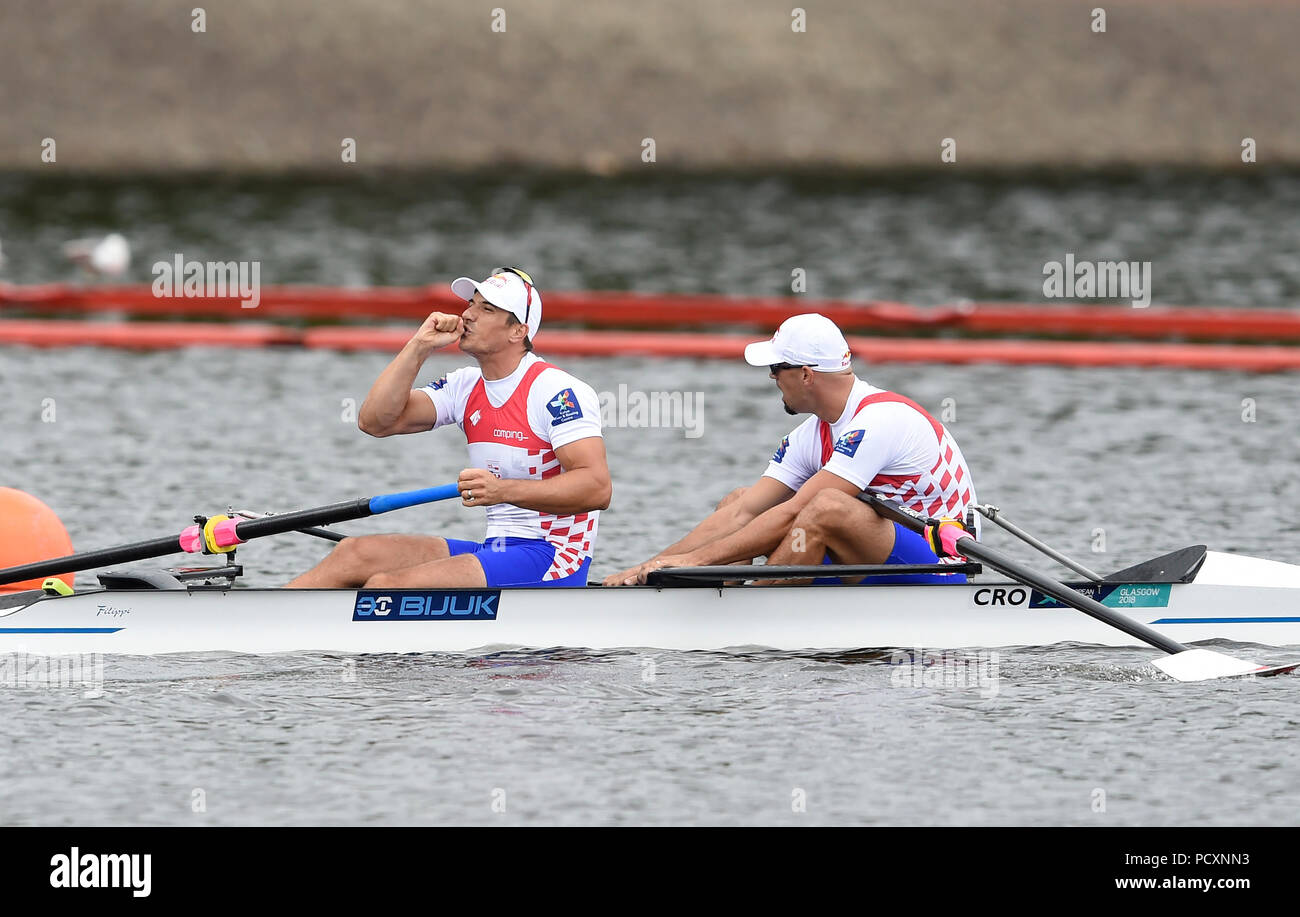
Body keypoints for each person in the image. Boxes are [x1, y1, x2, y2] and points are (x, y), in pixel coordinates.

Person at [289, 268, 611, 589]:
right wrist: (419, 346)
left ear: (517, 331)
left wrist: (502, 491)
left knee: (387, 585)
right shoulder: (465, 386)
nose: (468, 314)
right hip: (497, 550)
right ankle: (257, 626)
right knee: (353, 554)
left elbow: (596, 487)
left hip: (553, 557)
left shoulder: (557, 392)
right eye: (471, 303)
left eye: (487, 309)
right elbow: (375, 421)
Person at [604, 313, 977, 586]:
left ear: (805, 374)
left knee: (825, 506)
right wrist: (648, 567)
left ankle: (755, 614)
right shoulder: (810, 435)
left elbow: (799, 511)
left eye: (776, 367)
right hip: (873, 559)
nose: (770, 377)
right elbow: (744, 513)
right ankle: (716, 594)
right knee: (739, 498)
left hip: (940, 565)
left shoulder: (882, 420)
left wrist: (691, 560)